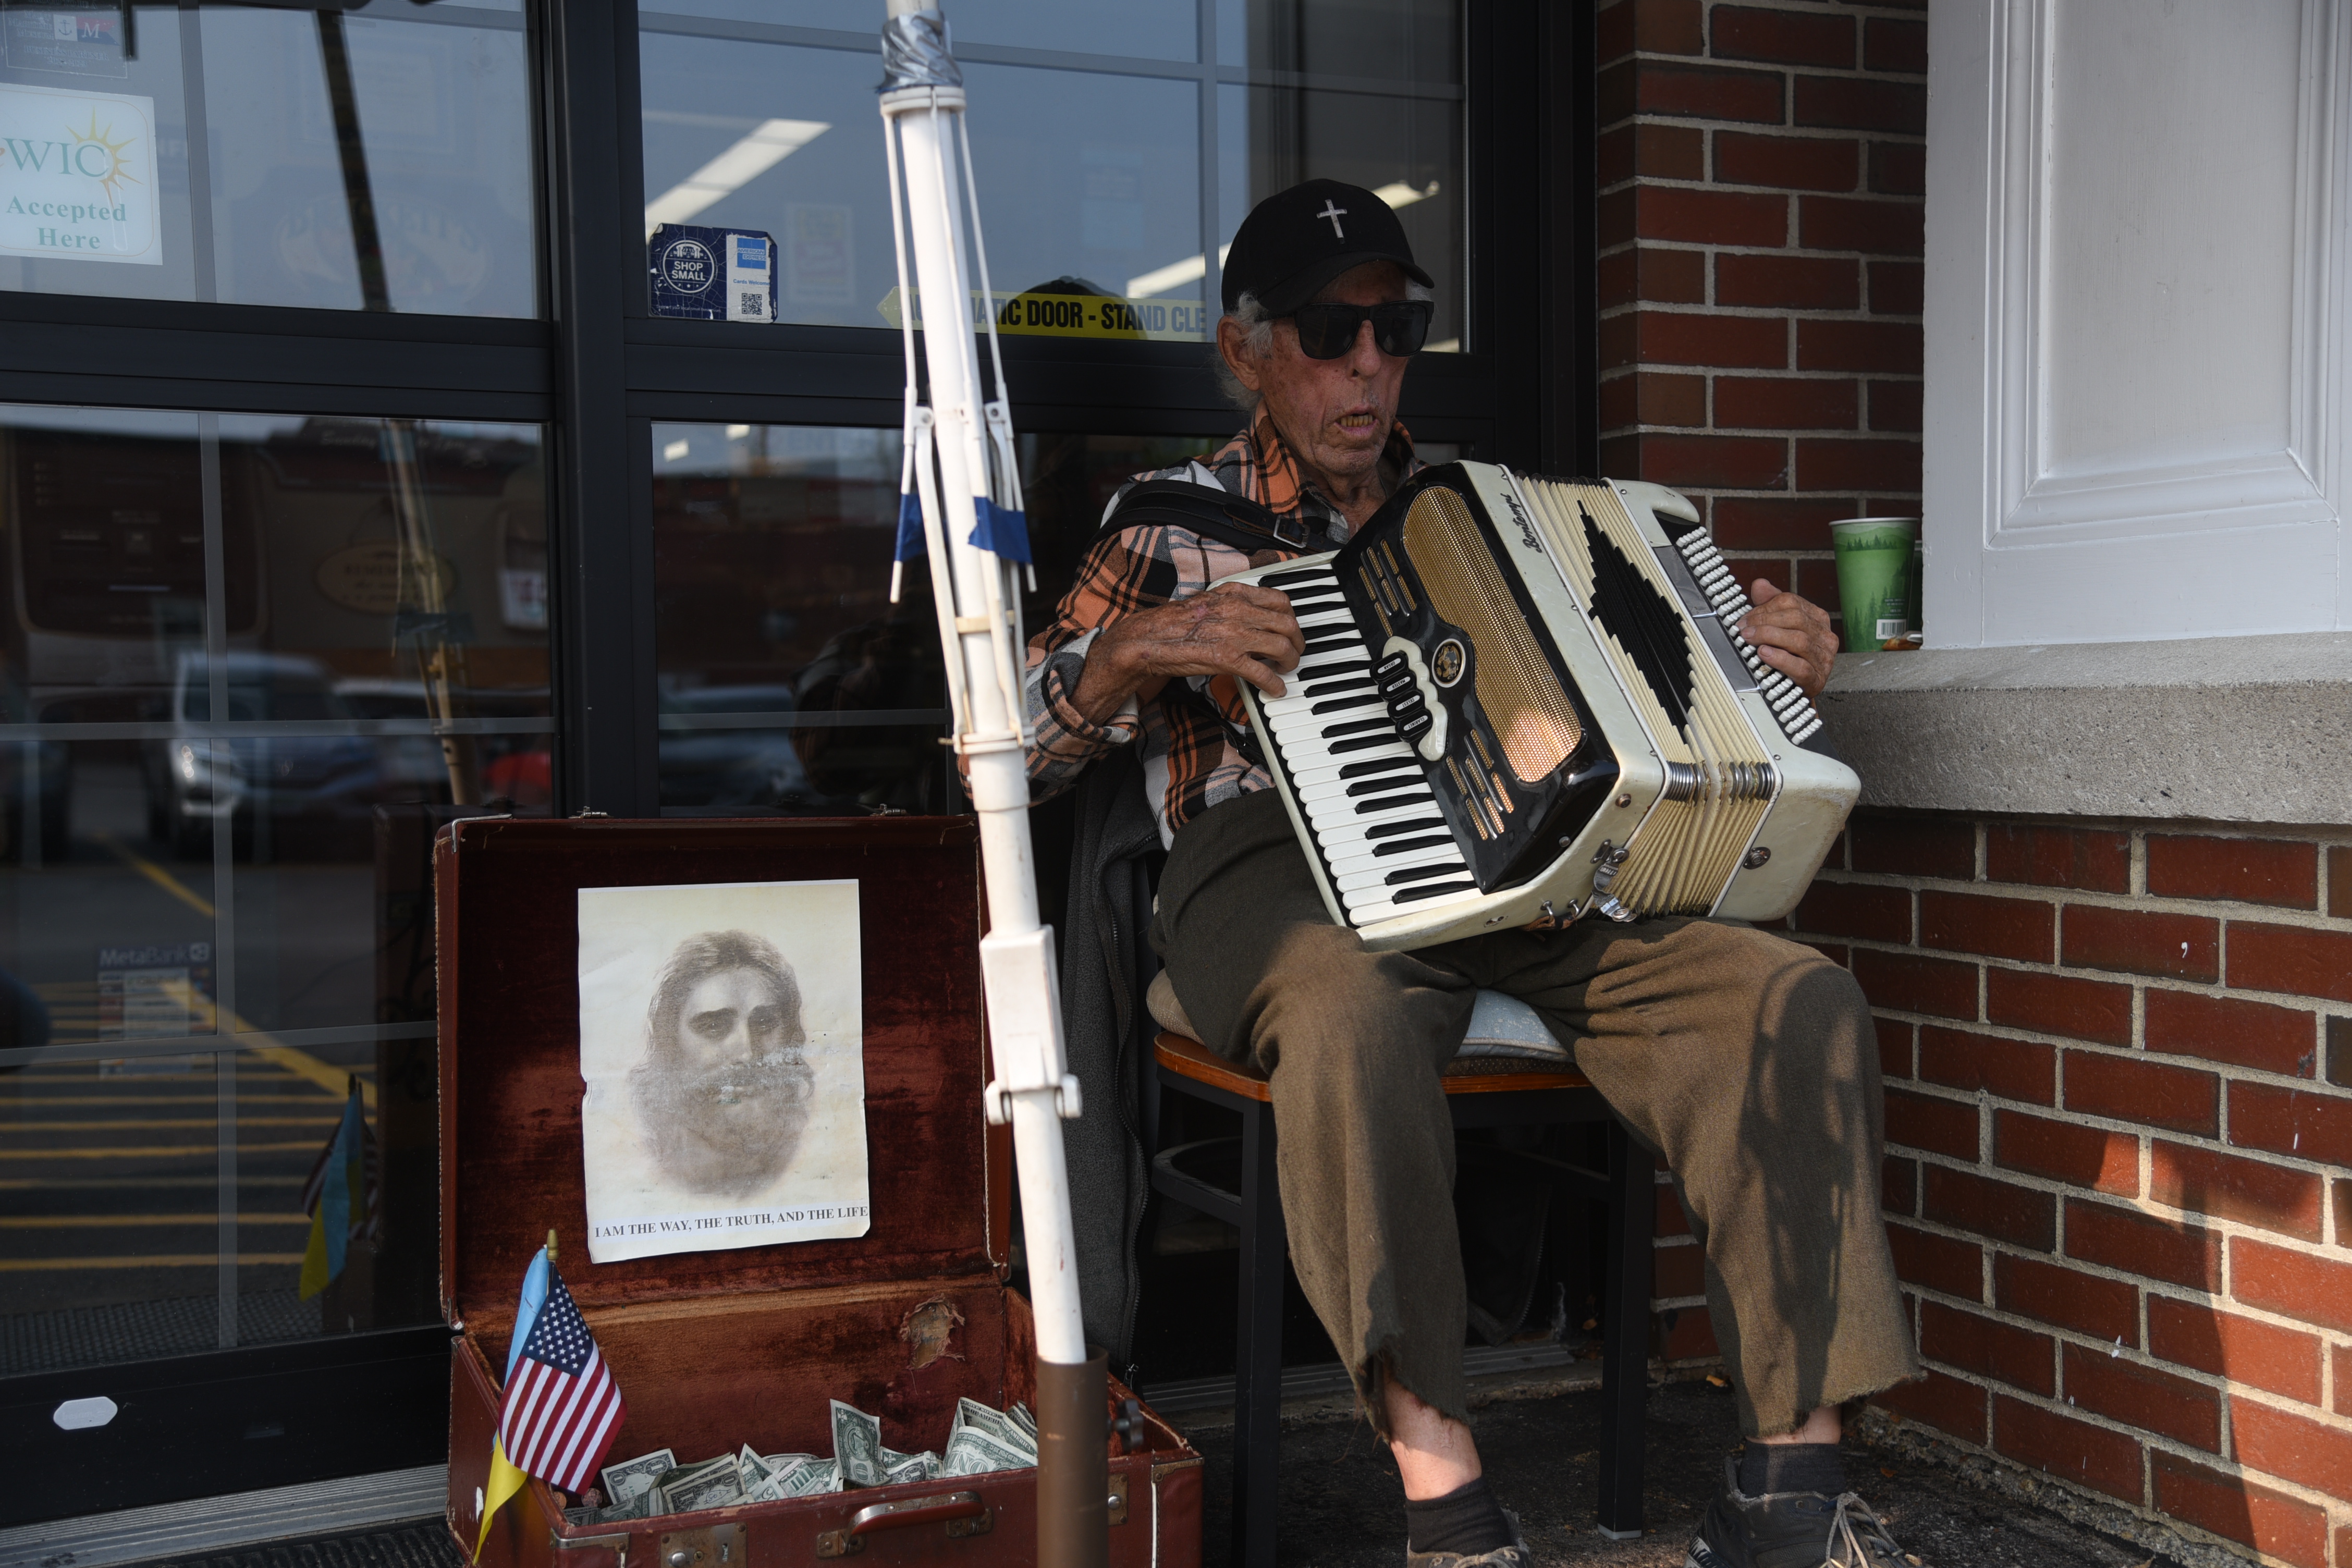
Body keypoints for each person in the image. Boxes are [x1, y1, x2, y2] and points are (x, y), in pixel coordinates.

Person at [1022, 179, 1919, 1568]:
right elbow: (1003, 753)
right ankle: (1449, 1500)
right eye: (1332, 331)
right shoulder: (1166, 524)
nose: (1370, 365)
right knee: (1348, 1015)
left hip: (1518, 870)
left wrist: (1774, 663)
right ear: (1242, 348)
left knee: (1789, 998)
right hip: (1272, 870)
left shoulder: (1484, 525)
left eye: (1398, 329)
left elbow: (1647, 683)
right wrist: (1138, 648)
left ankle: (1787, 1498)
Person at [628, 930, 817, 1201]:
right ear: (671, 1044)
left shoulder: (804, 1160)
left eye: (764, 1024)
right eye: (714, 1026)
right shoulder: (652, 1170)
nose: (748, 1053)